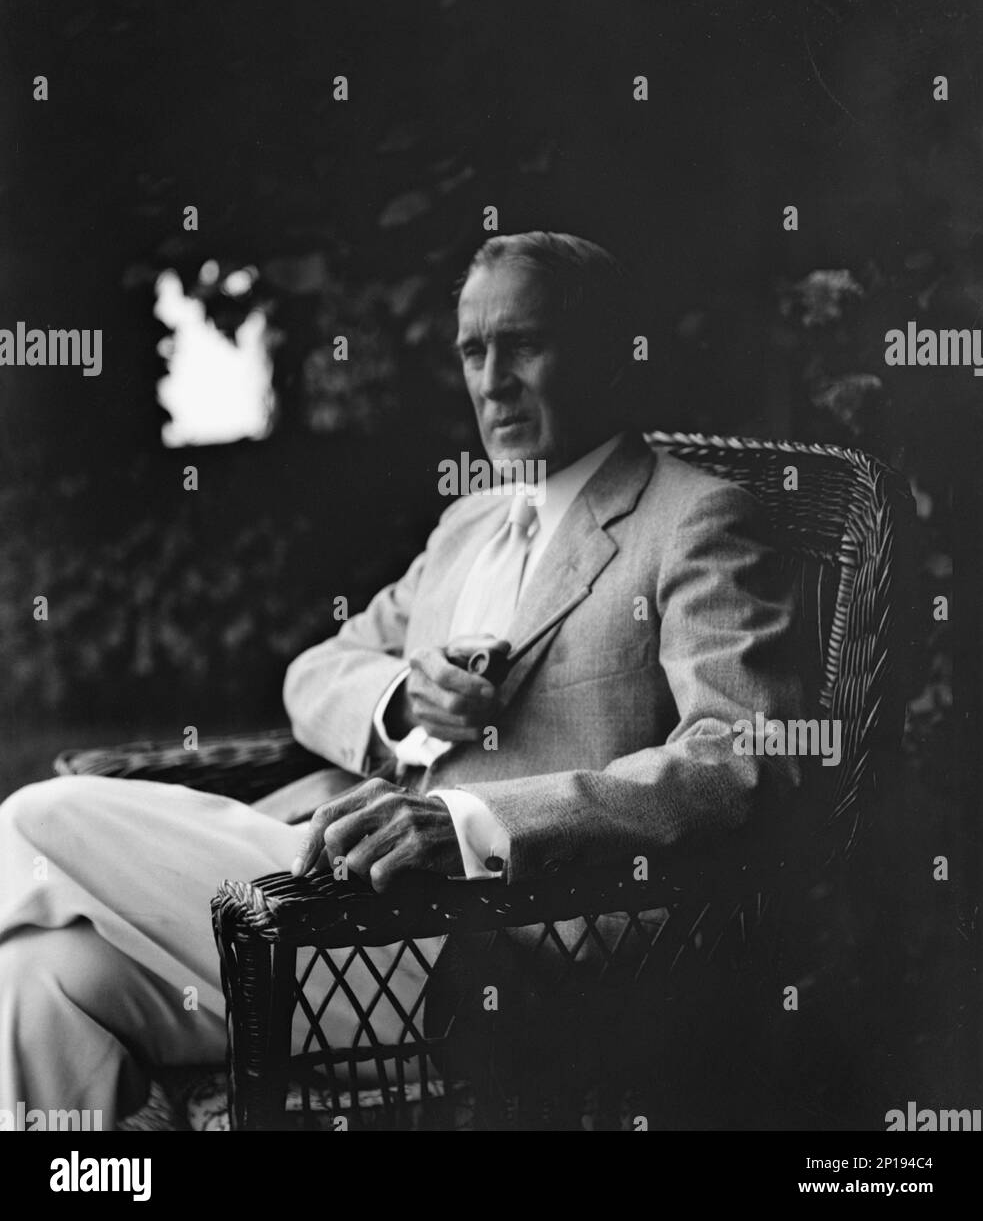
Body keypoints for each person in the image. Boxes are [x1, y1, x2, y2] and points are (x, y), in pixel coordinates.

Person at [0, 231, 803, 1126]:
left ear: (610, 356)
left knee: (41, 815)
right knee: (40, 981)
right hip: (331, 919)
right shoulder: (468, 524)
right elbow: (318, 670)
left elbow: (745, 757)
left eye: (524, 345)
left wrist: (470, 825)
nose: (491, 380)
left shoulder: (693, 519)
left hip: (492, 952)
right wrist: (397, 701)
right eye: (472, 350)